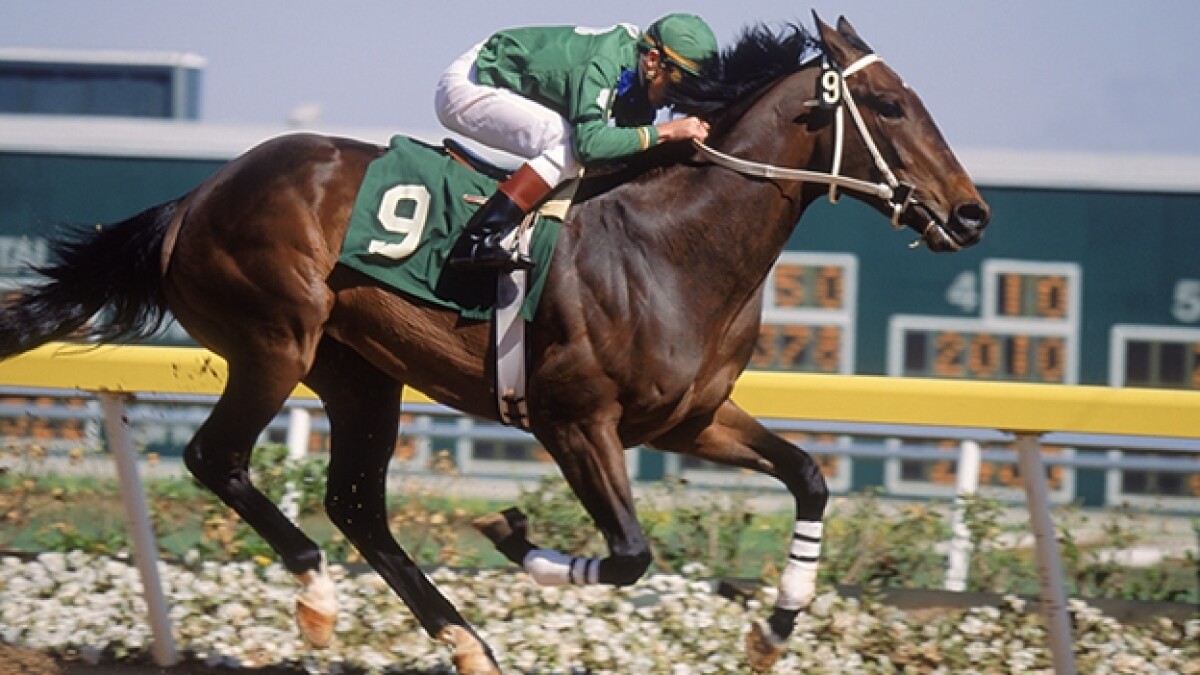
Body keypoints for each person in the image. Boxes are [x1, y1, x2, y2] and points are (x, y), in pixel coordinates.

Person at [434, 13, 718, 271]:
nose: (676, 99)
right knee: (569, 146)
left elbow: (631, 149)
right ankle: (475, 240)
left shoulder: (640, 70)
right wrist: (667, 131)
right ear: (653, 60)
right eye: (678, 85)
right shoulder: (605, 62)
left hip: (500, 75)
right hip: (470, 84)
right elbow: (590, 145)